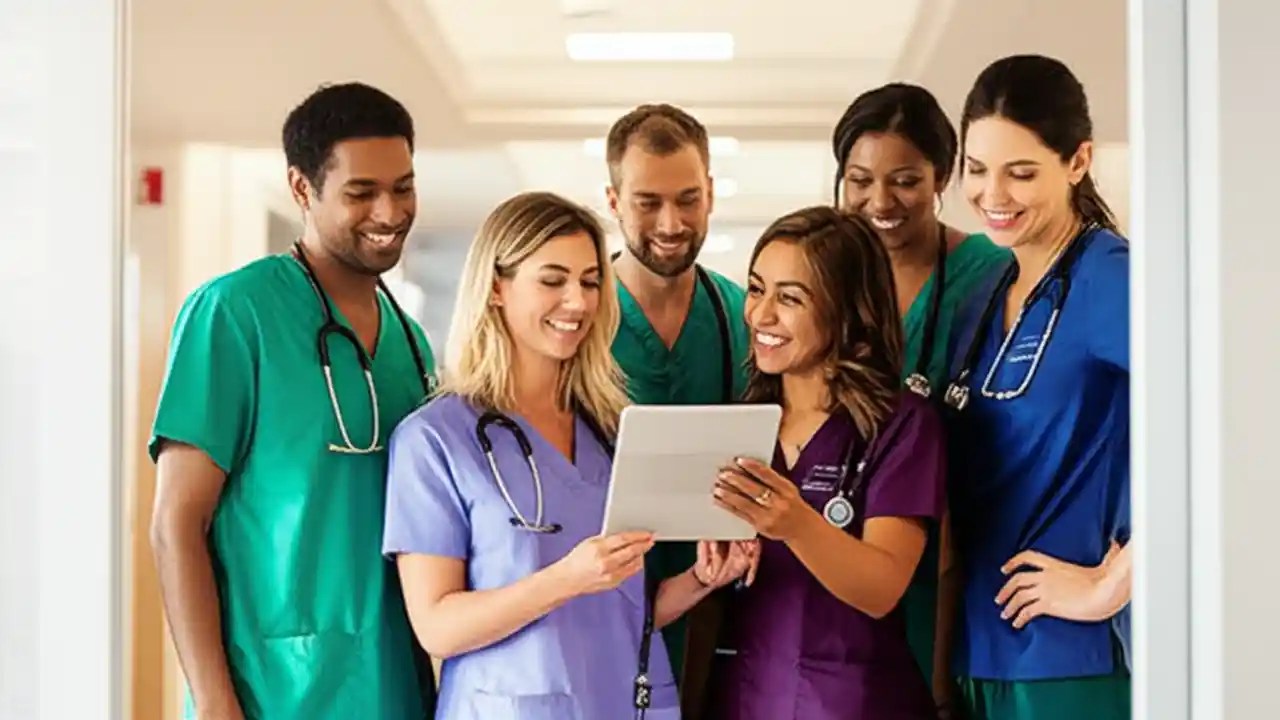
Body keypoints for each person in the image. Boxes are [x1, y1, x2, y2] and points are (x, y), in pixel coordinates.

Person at [381, 191, 755, 720]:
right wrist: (567, 578)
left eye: (590, 281)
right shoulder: (435, 440)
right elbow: (437, 627)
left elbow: (623, 611)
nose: (577, 302)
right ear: (495, 289)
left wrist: (703, 579)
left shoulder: (609, 429)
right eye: (552, 281)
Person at [148, 82, 438, 719]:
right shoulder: (233, 313)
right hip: (275, 690)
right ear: (303, 189)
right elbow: (176, 524)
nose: (390, 212)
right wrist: (217, 702)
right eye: (361, 192)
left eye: (403, 187)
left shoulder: (410, 342)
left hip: (394, 686)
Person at [943, 54, 1132, 720]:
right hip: (983, 648)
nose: (993, 194)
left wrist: (1115, 581)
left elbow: (1228, 417)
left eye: (1021, 172)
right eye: (977, 169)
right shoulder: (985, 292)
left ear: (1078, 162)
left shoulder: (1110, 279)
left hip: (1070, 656)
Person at [707, 206, 948, 720]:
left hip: (858, 703)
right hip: (749, 695)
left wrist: (796, 524)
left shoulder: (901, 425)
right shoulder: (739, 426)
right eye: (756, 289)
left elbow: (882, 588)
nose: (761, 315)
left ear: (845, 309)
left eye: (790, 298)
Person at [830, 82, 1011, 706]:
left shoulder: (993, 274)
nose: (880, 201)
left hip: (972, 545)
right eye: (859, 180)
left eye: (904, 179)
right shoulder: (826, 278)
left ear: (942, 176)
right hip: (850, 546)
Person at [603, 102, 753, 712]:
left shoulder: (743, 317)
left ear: (711, 194)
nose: (671, 221)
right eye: (647, 203)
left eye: (688, 199)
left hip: (712, 606)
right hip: (600, 603)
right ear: (613, 201)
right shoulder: (576, 320)